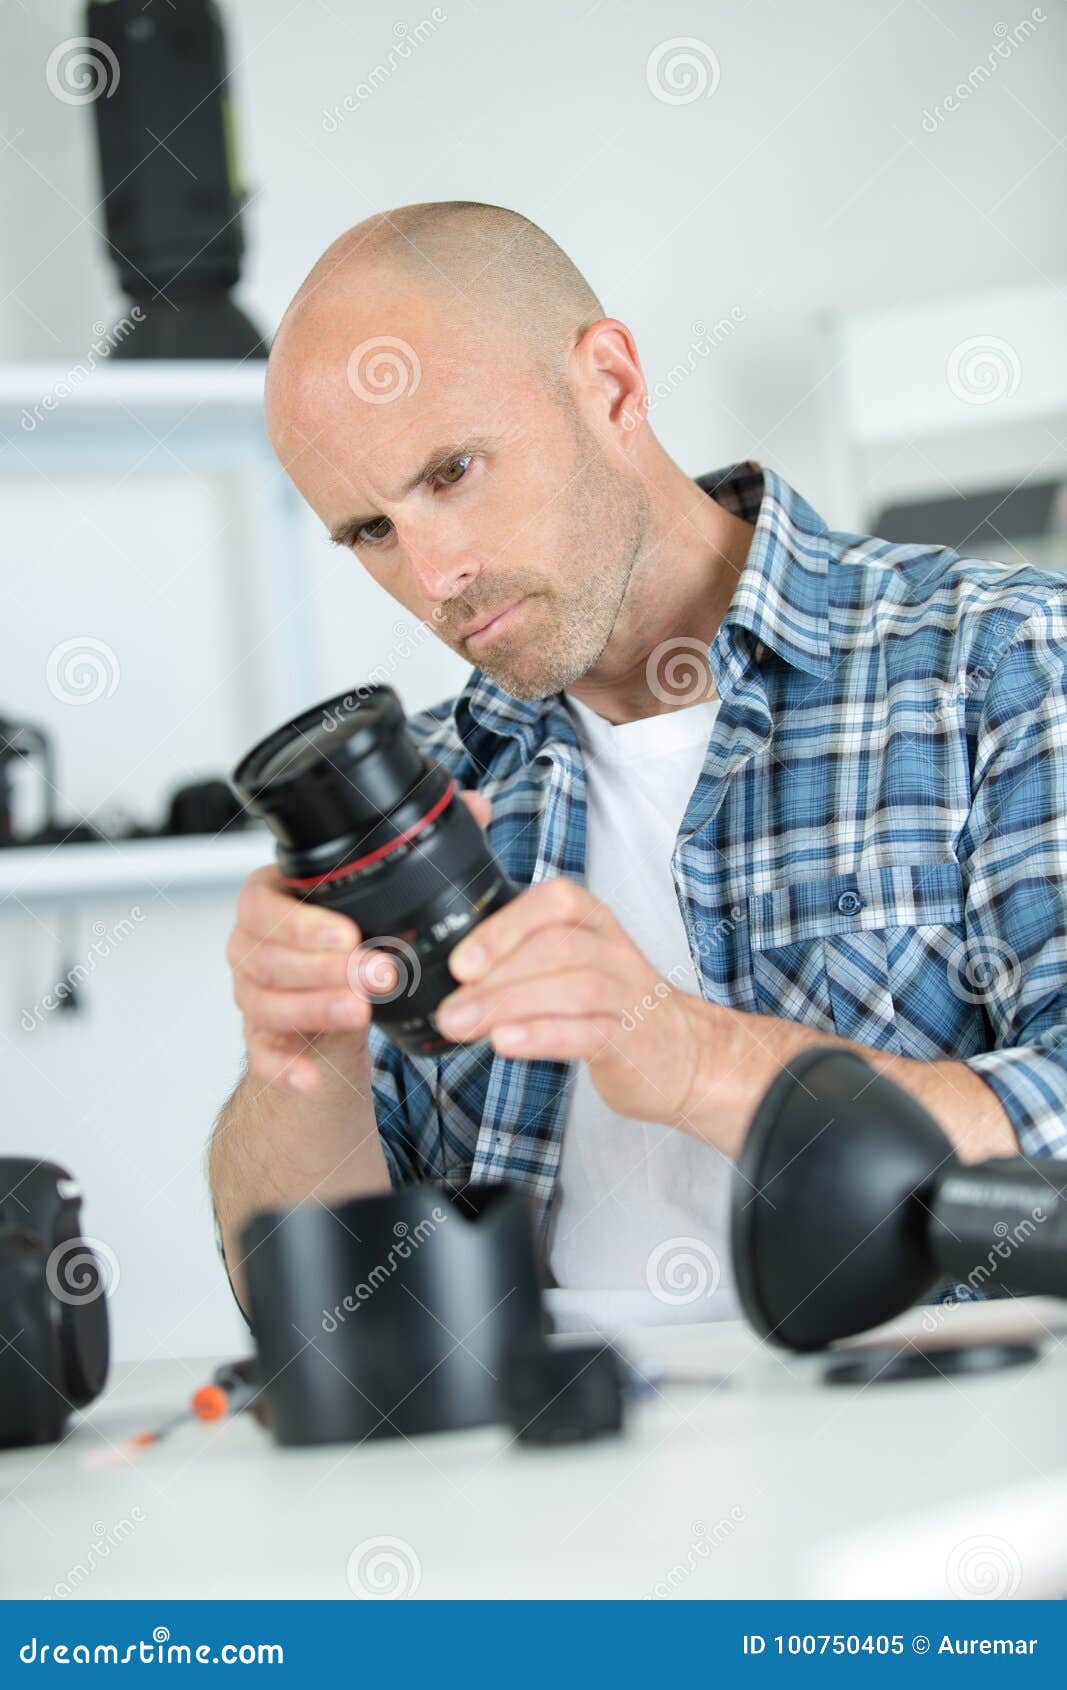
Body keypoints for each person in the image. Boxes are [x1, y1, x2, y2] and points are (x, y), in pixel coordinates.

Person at [209, 200, 1067, 1325]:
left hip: (930, 1426)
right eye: (369, 531)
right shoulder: (434, 788)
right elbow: (313, 1310)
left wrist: (693, 1058)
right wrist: (304, 1056)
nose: (433, 575)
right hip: (550, 1428)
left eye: (451, 472)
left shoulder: (998, 662)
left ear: (609, 385)